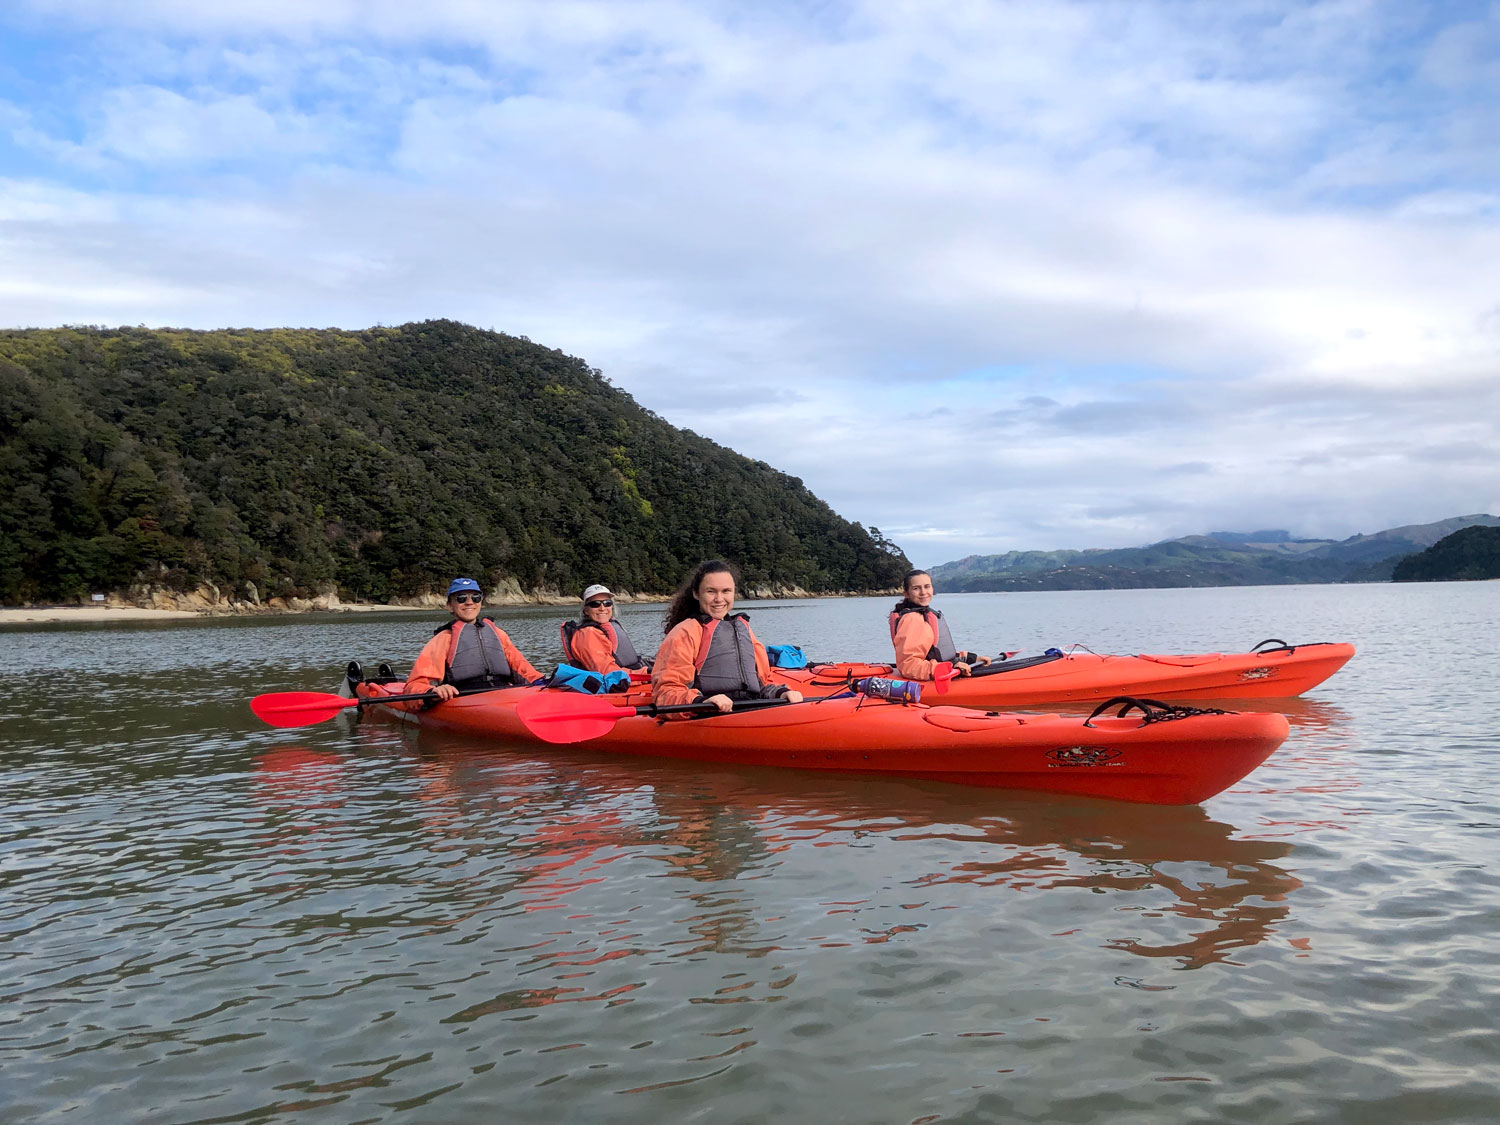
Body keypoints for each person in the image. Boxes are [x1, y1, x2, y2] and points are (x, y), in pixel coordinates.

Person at [652, 560, 805, 712]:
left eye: (726, 591)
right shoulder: (685, 633)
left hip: (747, 709)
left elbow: (763, 683)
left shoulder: (743, 630)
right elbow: (666, 693)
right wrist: (702, 702)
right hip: (707, 714)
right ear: (696, 594)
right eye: (711, 591)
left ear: (733, 592)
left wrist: (781, 693)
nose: (719, 599)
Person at [405, 577, 543, 701]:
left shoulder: (498, 634)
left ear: (480, 602)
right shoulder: (443, 639)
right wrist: (432, 691)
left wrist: (543, 682)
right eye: (461, 598)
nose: (469, 602)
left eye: (475, 597)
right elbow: (416, 684)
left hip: (503, 694)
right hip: (464, 696)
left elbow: (523, 669)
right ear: (449, 606)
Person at [889, 569, 990, 680]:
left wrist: (972, 659)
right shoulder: (911, 619)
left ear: (932, 589)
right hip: (929, 680)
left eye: (927, 586)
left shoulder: (924, 615)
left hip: (938, 672)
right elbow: (908, 665)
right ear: (907, 593)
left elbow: (937, 654)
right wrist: (948, 668)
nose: (923, 592)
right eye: (916, 588)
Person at [559, 584, 652, 675]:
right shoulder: (588, 634)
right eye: (595, 604)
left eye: (607, 603)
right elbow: (607, 672)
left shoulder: (603, 629)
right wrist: (644, 672)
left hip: (631, 675)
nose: (602, 608)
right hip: (617, 683)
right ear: (586, 611)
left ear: (612, 606)